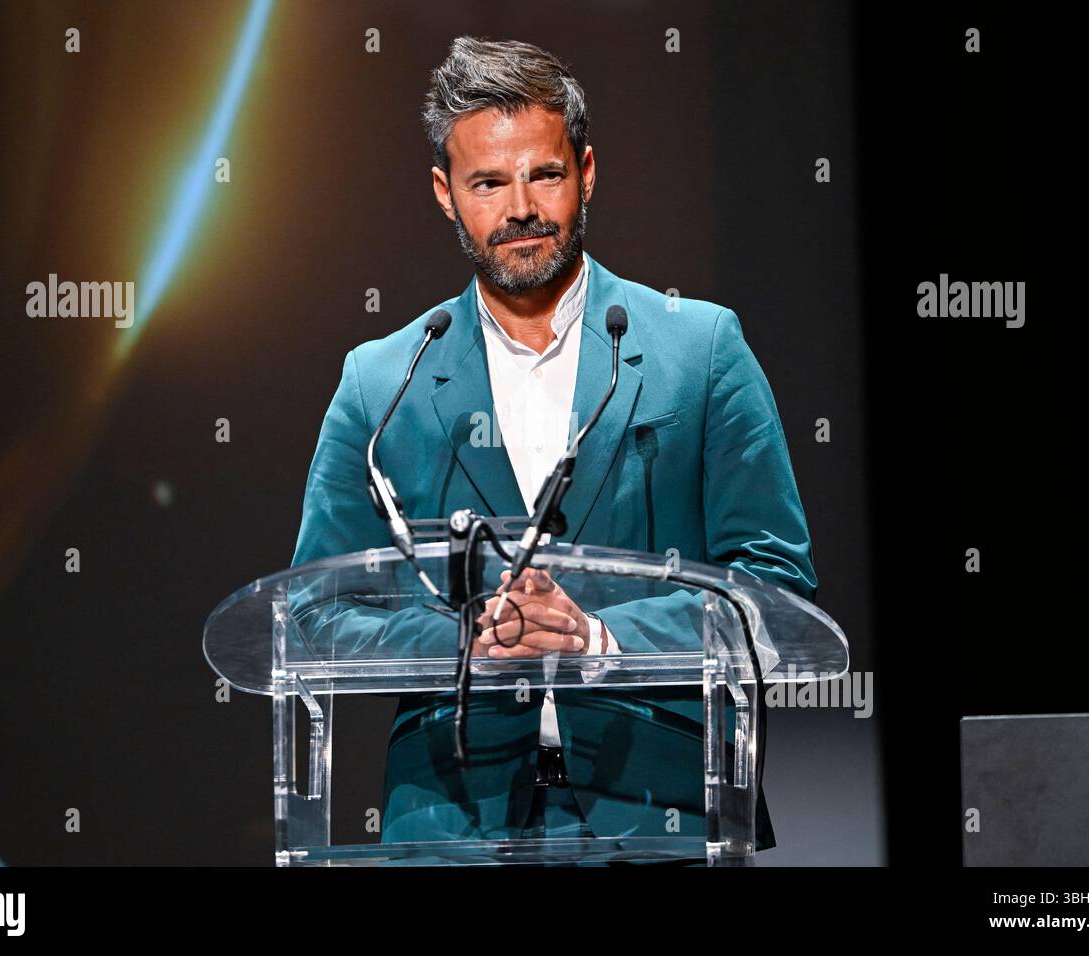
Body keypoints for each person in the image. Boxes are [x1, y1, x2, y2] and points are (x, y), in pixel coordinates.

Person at [290, 36, 817, 855]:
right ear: (445, 192)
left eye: (545, 174)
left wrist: (601, 637)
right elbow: (313, 617)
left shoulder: (701, 350)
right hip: (451, 823)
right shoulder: (384, 380)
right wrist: (464, 643)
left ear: (587, 172)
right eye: (488, 183)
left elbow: (774, 586)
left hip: (663, 810)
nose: (521, 207)